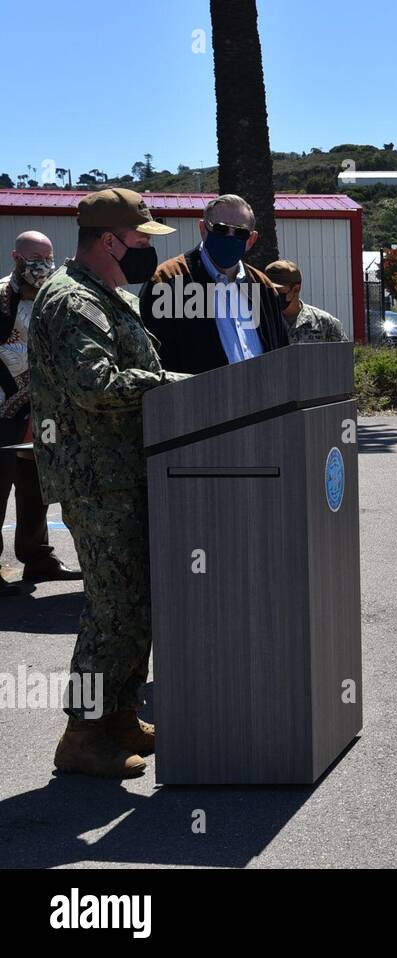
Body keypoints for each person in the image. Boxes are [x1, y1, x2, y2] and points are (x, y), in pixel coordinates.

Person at [29, 188, 191, 778]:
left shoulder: (105, 295)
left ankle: (118, 715)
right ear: (109, 241)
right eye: (142, 239)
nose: (149, 249)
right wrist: (177, 384)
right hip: (99, 481)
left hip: (124, 474)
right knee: (113, 608)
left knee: (137, 604)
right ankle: (82, 733)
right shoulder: (73, 300)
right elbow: (96, 385)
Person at [1, 231, 81, 592]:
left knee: (38, 486)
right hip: (4, 407)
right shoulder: (1, 294)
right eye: (35, 258)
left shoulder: (56, 293)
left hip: (45, 407)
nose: (44, 265)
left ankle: (38, 558)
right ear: (17, 258)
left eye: (48, 257)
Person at [140, 194, 290, 373]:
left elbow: (282, 352)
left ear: (251, 239)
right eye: (221, 229)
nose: (230, 237)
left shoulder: (263, 287)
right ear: (203, 229)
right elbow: (151, 363)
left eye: (240, 233)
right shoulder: (167, 283)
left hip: (263, 399)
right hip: (199, 399)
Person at [263, 259, 347, 343]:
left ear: (296, 289)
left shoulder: (325, 323)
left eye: (278, 290)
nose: (273, 294)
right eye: (268, 289)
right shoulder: (262, 323)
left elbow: (342, 354)